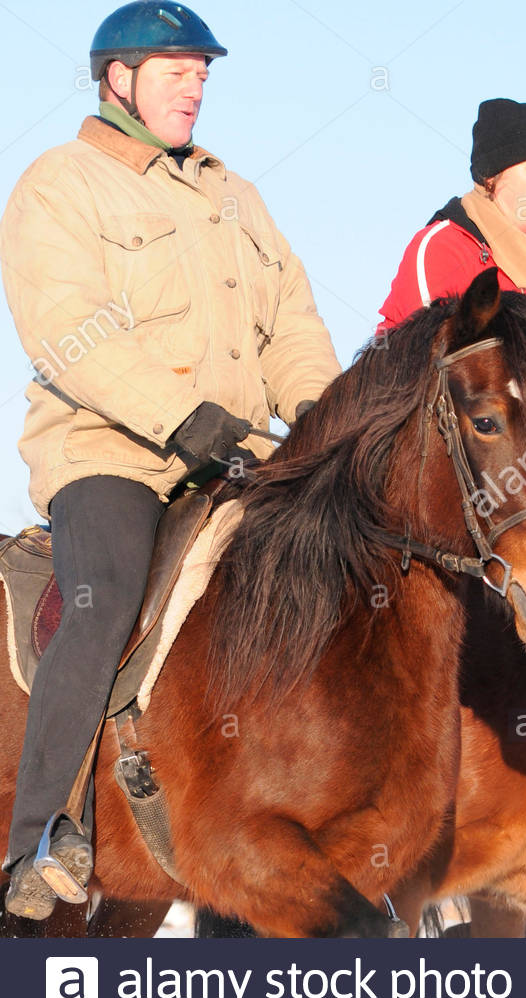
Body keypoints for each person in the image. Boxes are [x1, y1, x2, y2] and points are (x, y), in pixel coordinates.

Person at [0, 1, 340, 919]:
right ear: (118, 78)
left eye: (203, 69)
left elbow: (291, 325)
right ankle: (38, 839)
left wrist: (320, 415)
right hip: (110, 449)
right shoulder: (60, 184)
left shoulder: (234, 195)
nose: (196, 82)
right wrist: (179, 418)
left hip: (235, 458)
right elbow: (66, 329)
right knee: (103, 596)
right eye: (175, 67)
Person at [377, 98, 526, 496]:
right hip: (432, 478)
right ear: (493, 176)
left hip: (524, 482)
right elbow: (421, 387)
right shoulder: (443, 246)